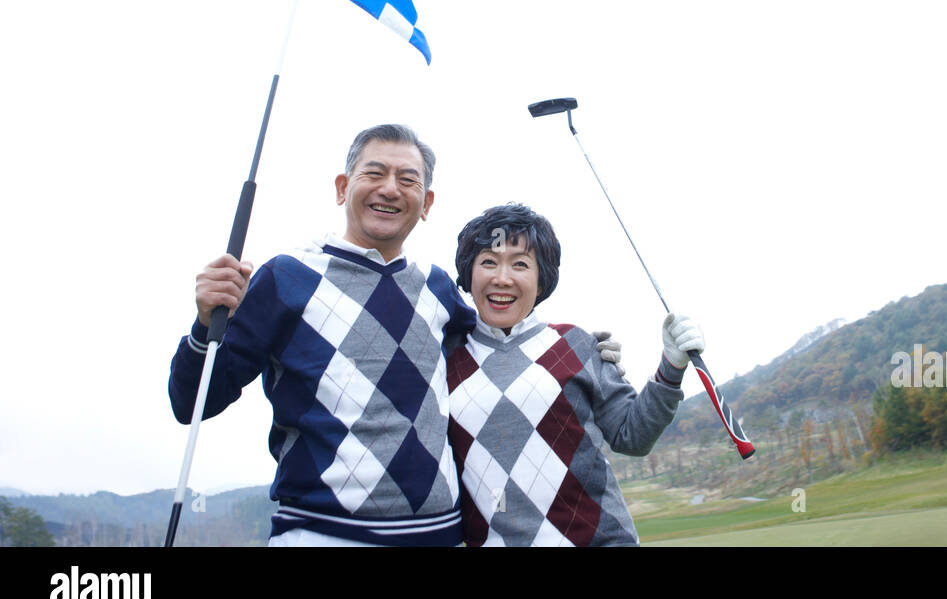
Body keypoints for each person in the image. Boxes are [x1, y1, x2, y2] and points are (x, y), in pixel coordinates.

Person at [168, 124, 477, 546]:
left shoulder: (438, 288)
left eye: (407, 180)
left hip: (440, 536)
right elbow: (192, 402)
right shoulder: (286, 278)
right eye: (374, 173)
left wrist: (586, 351)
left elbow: (498, 353)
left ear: (426, 203)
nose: (390, 189)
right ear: (342, 187)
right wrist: (205, 324)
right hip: (320, 535)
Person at [447, 202, 704, 546]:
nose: (502, 278)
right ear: (468, 273)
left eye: (520, 264)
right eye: (488, 262)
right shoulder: (446, 363)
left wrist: (671, 365)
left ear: (541, 282)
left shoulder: (576, 345)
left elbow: (634, 436)